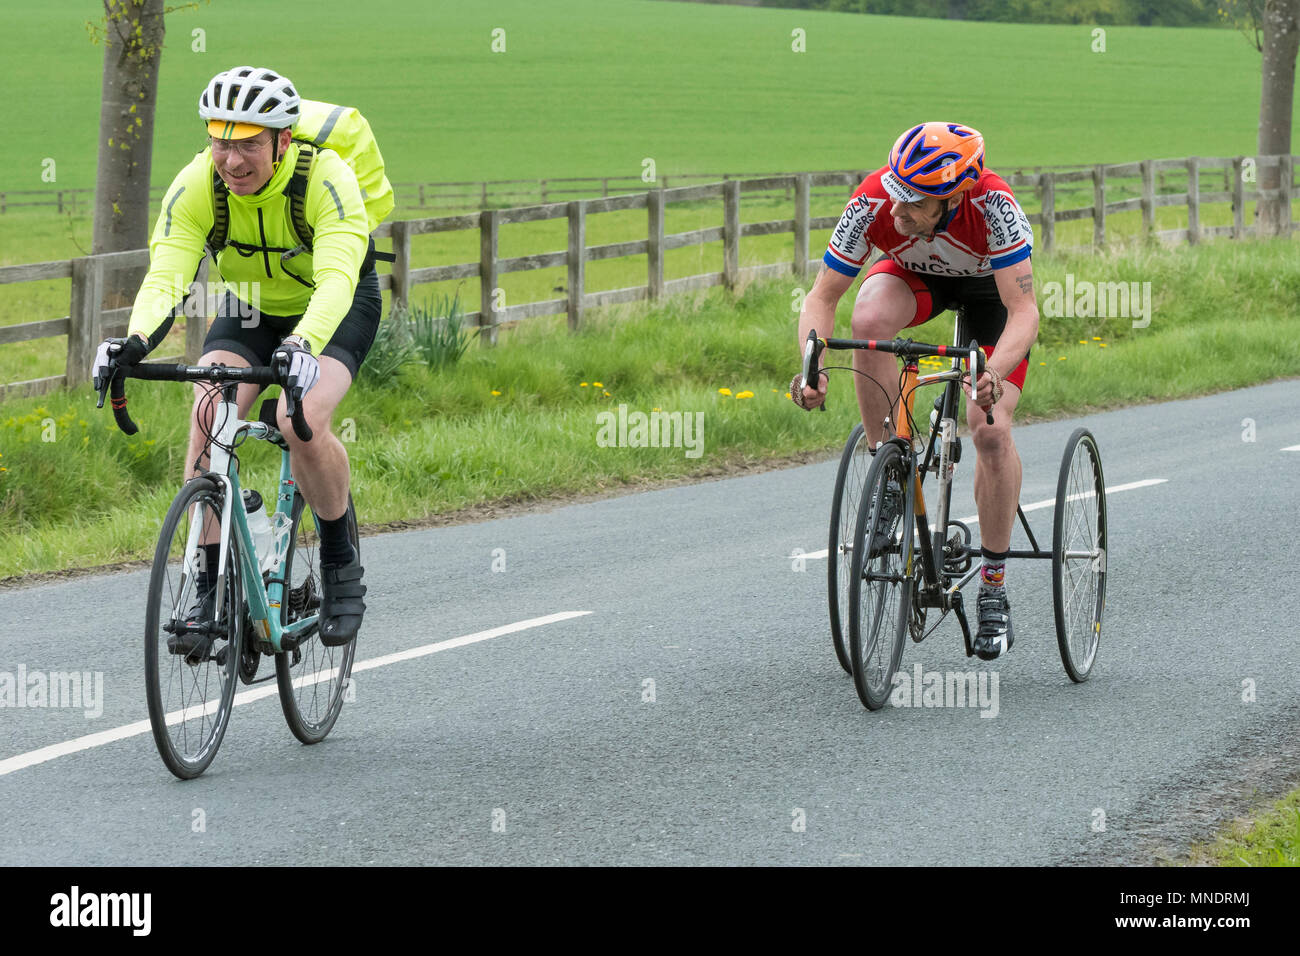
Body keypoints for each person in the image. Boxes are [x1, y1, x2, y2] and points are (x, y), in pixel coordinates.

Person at [92, 66, 378, 649]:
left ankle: (339, 564)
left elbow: (336, 278)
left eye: (248, 144)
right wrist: (135, 340)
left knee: (298, 422)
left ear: (283, 142)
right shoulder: (200, 183)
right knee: (207, 421)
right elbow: (168, 271)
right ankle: (208, 586)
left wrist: (302, 346)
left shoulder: (327, 179)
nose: (232, 160)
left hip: (335, 306)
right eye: (222, 142)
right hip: (251, 310)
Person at [792, 122, 1039, 660]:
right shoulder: (873, 199)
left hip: (989, 296)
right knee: (868, 313)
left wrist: (992, 371)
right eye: (896, 198)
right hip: (916, 278)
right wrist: (812, 364)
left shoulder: (993, 205)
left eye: (915, 206)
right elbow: (821, 296)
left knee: (988, 431)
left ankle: (993, 587)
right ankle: (890, 468)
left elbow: (1024, 311)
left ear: (952, 197)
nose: (897, 213)